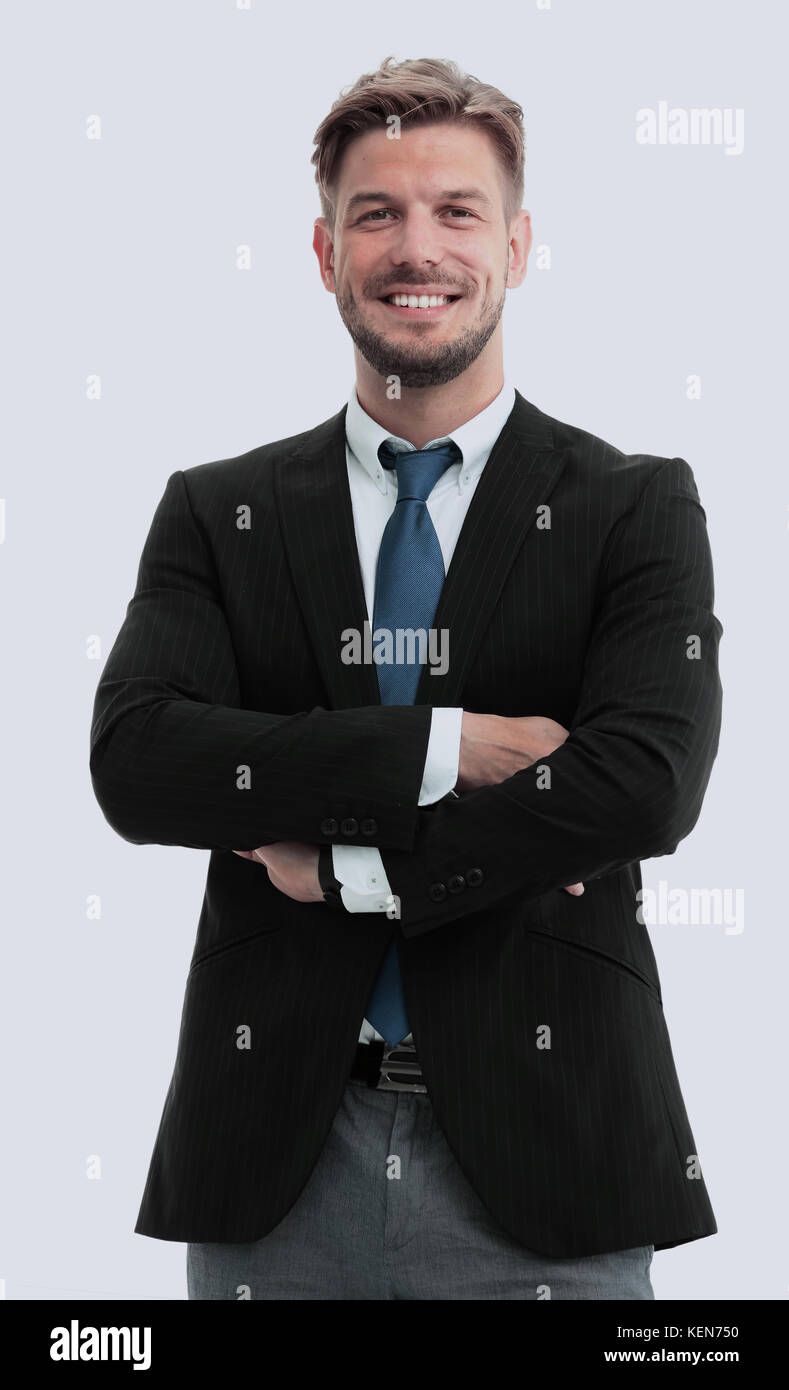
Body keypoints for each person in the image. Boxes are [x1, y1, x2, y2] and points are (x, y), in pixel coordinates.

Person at [89, 56, 722, 1300]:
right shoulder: (221, 514)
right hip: (278, 1159)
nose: (414, 247)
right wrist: (448, 747)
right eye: (375, 213)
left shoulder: (634, 504)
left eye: (456, 211)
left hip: (557, 1163)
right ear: (324, 253)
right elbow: (141, 759)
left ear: (519, 244)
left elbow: (643, 786)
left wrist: (346, 866)